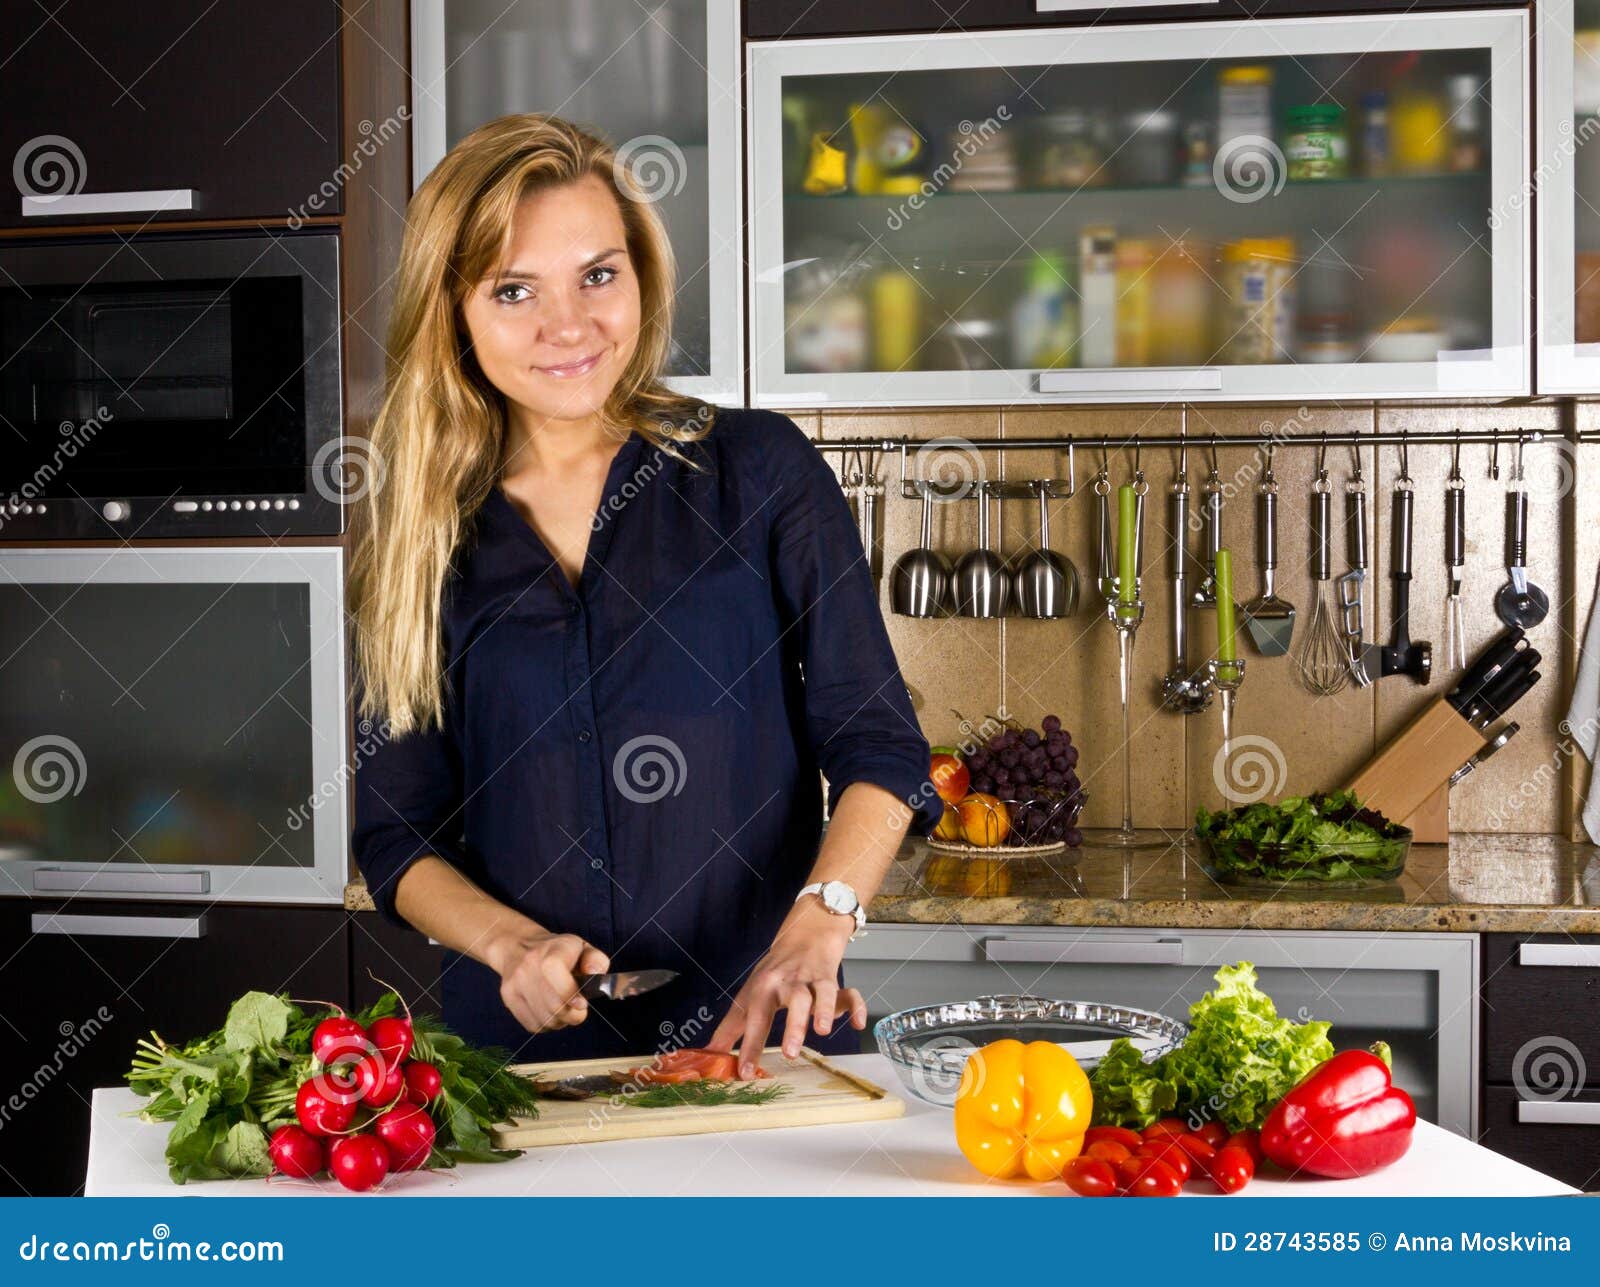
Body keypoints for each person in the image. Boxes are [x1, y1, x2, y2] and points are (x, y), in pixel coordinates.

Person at [349, 115, 937, 1074]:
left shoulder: (761, 473)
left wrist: (818, 925)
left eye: (598, 273)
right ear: (451, 312)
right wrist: (511, 946)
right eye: (514, 290)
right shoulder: (422, 537)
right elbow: (394, 834)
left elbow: (878, 743)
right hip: (527, 1066)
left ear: (641, 277)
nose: (570, 326)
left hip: (767, 1038)